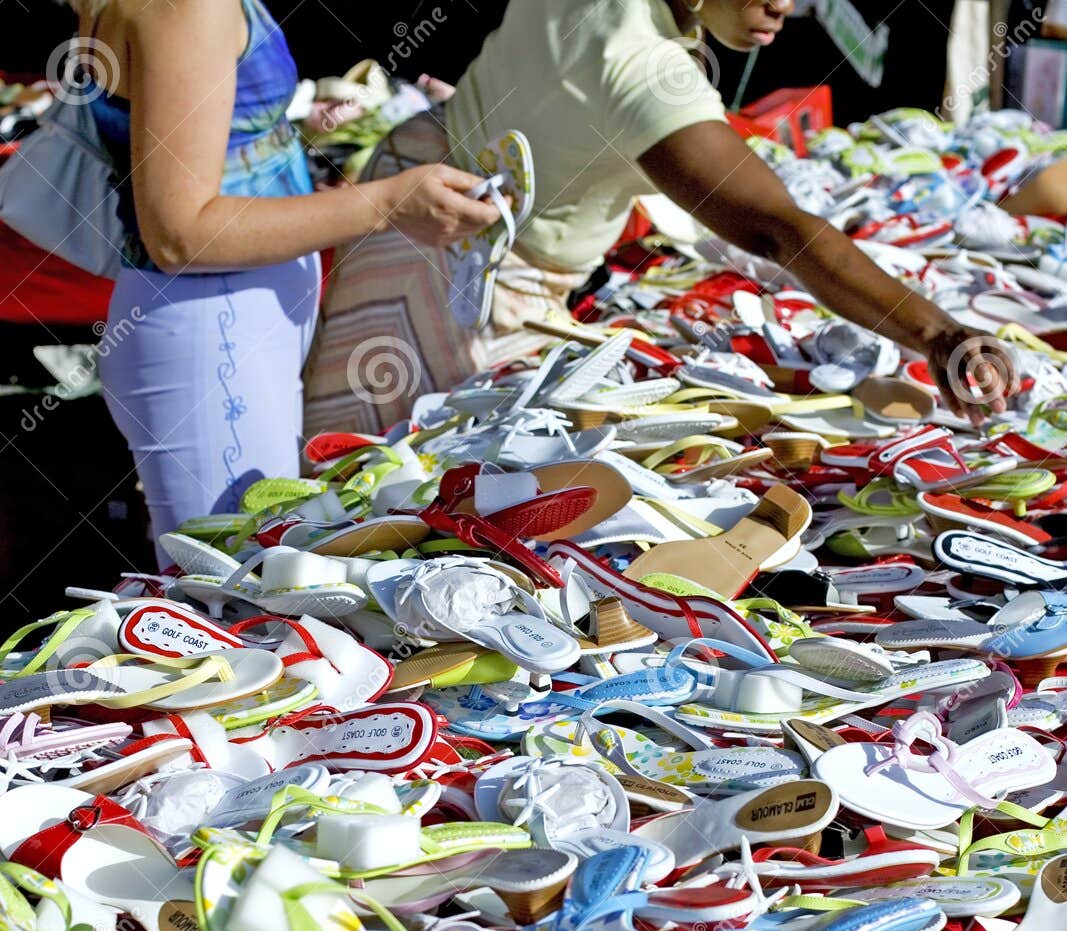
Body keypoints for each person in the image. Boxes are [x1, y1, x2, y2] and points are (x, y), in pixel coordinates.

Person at [303, 0, 1015, 436]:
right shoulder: (645, 71)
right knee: (379, 482)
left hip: (411, 207)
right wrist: (939, 332)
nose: (779, 6)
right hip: (461, 285)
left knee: (342, 438)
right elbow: (777, 229)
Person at [68, 0, 501, 550]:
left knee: (251, 572)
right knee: (235, 592)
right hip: (214, 336)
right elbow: (179, 234)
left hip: (225, 325)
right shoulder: (186, 7)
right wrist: (389, 203)